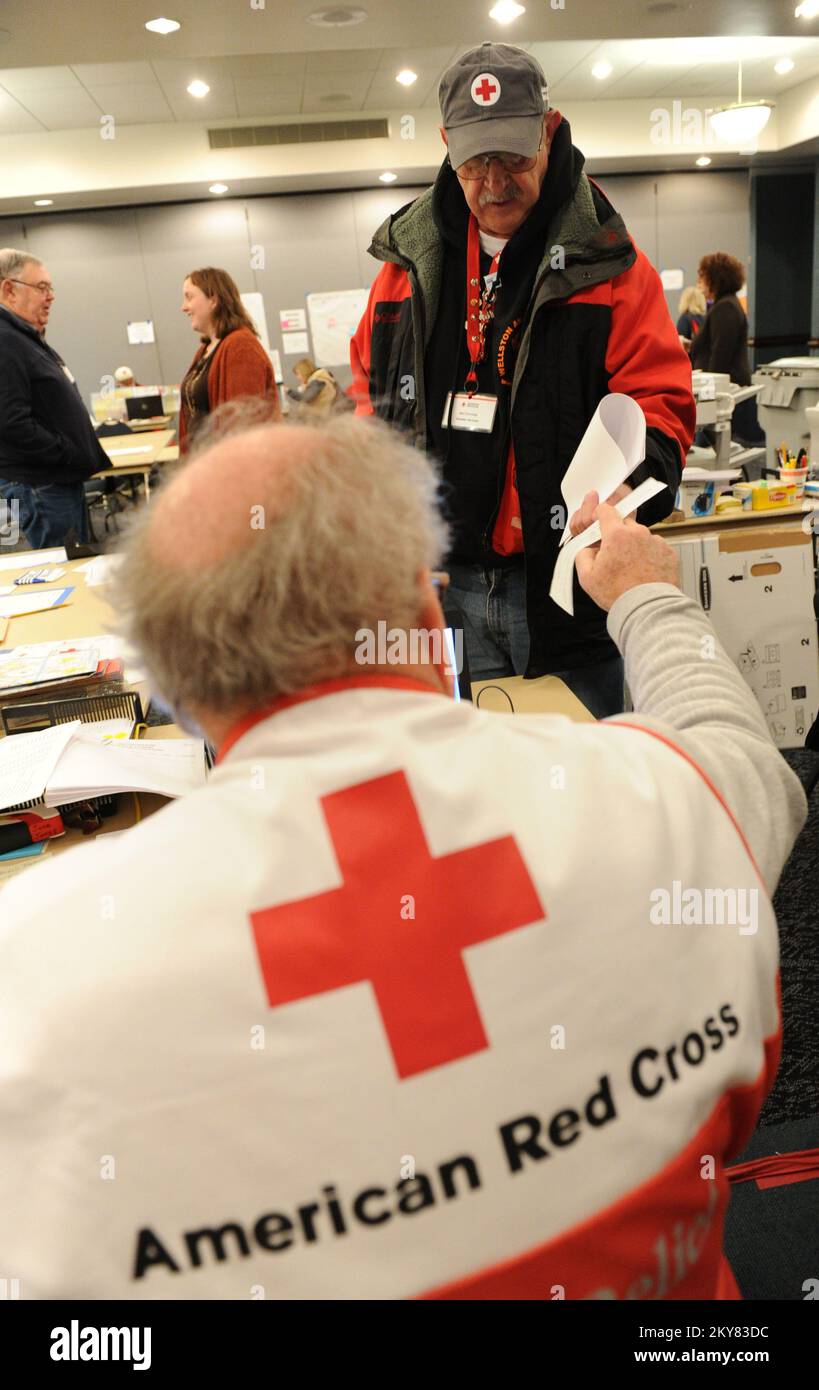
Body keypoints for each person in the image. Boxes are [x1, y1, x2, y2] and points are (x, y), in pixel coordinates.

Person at [0, 411, 805, 1301]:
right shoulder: (668, 806)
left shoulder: (34, 979)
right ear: (428, 613)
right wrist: (648, 595)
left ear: (176, 688)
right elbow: (739, 754)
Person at [351, 42, 695, 718]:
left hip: (569, 588)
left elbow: (661, 400)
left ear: (548, 129)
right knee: (479, 792)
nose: (494, 182)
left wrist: (631, 487)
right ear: (447, 144)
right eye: (476, 161)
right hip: (442, 590)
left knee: (583, 785)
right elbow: (369, 398)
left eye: (512, 157)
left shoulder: (607, 261)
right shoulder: (404, 267)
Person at [0, 247, 108, 548]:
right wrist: (66, 452)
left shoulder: (23, 337)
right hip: (41, 487)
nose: (51, 297)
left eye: (51, 288)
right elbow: (10, 422)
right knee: (59, 580)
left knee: (75, 572)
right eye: (42, 288)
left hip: (52, 483)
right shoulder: (5, 340)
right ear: (9, 290)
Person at [179, 266, 280, 451]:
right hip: (205, 461)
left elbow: (244, 423)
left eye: (189, 297)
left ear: (213, 300)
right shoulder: (205, 350)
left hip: (231, 466)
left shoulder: (240, 346)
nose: (183, 307)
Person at [690, 252, 761, 445]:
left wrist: (709, 397)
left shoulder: (725, 308)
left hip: (723, 394)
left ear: (715, 278)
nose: (699, 285)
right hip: (719, 391)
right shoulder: (722, 305)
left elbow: (720, 355)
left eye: (702, 278)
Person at [286, 356, 351, 415]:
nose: (298, 377)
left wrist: (288, 391)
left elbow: (305, 398)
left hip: (330, 417)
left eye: (298, 374)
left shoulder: (317, 381)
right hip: (334, 413)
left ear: (304, 372)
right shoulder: (322, 378)